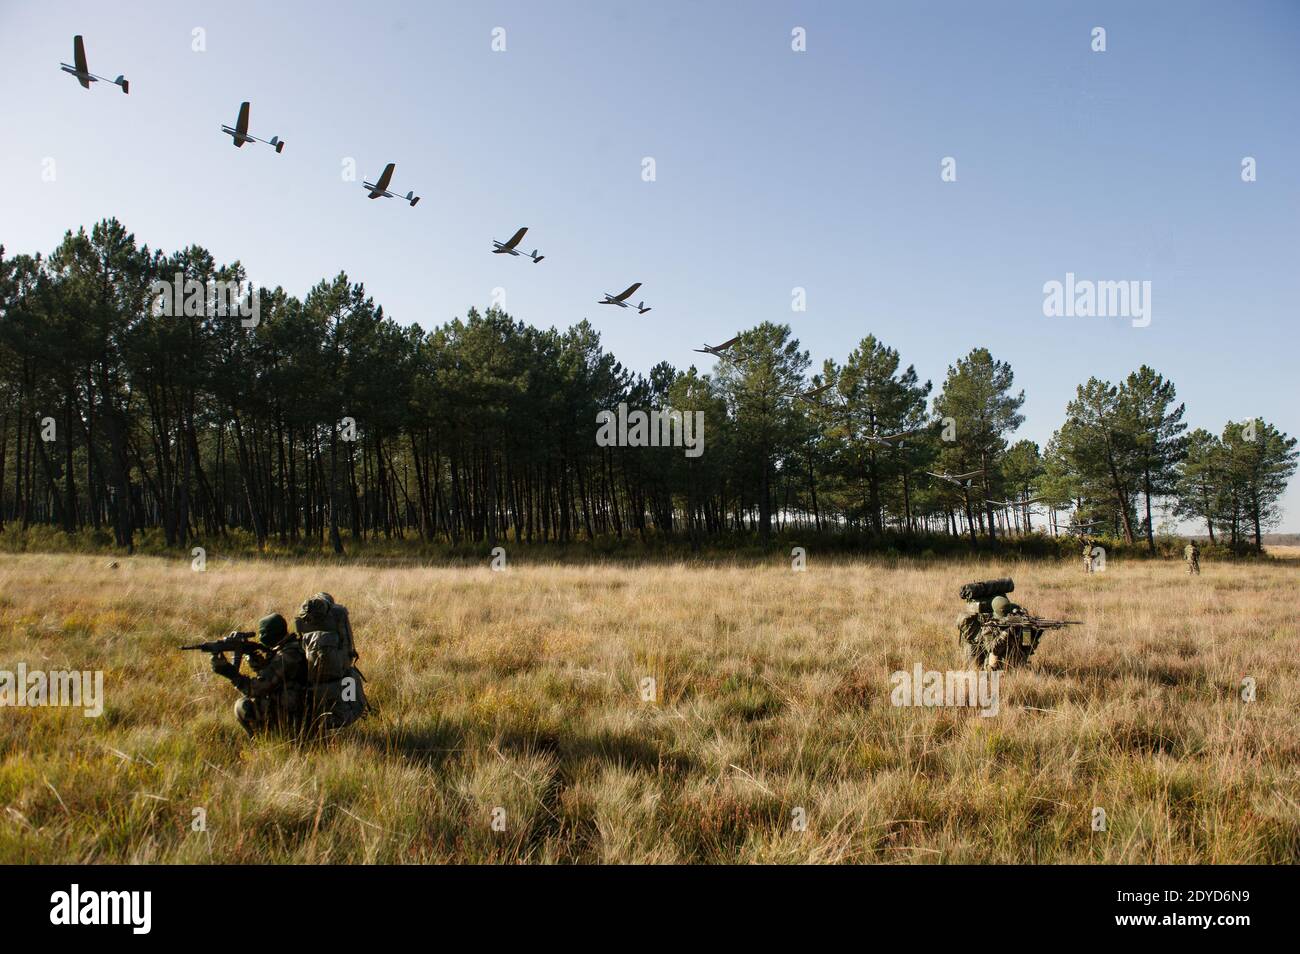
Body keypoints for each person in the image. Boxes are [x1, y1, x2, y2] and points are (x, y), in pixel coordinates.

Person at [209, 613, 309, 736]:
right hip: (297, 708)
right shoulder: (292, 647)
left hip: (294, 715)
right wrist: (255, 659)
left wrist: (230, 673)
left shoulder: (287, 656)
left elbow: (255, 689)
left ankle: (264, 738)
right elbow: (272, 674)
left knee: (242, 705)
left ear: (270, 636)